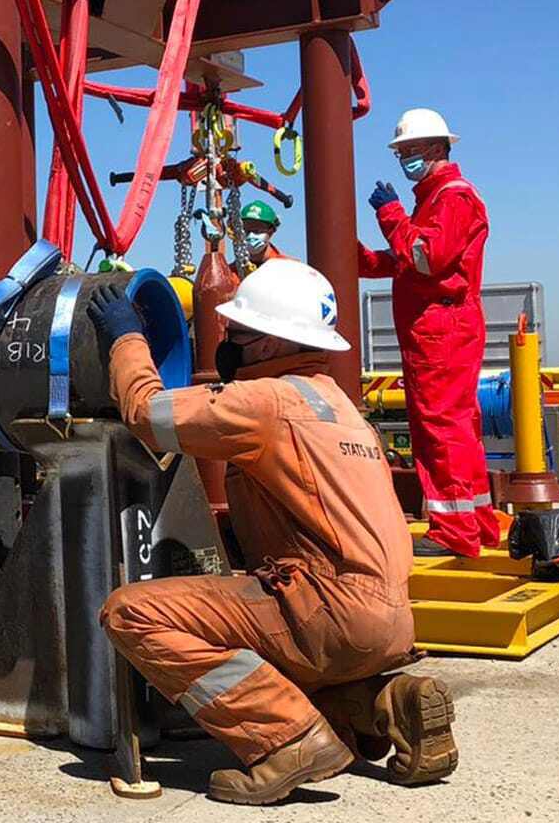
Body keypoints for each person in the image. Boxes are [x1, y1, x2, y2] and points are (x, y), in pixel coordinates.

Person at [89, 259, 456, 804]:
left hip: (327, 611)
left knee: (132, 612)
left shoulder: (264, 401)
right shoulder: (341, 407)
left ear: (266, 345)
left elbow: (148, 414)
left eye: (235, 334)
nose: (227, 345)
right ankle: (385, 705)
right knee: (287, 667)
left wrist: (126, 338)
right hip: (389, 621)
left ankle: (287, 741)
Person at [358, 107, 494, 559]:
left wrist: (391, 214)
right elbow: (410, 261)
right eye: (402, 152)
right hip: (440, 327)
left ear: (438, 148)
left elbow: (424, 257)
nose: (405, 159)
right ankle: (476, 523)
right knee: (456, 425)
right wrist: (355, 257)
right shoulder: (435, 198)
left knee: (440, 426)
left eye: (412, 150)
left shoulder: (453, 197)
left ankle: (455, 531)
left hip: (442, 328)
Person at [239, 200, 289, 270]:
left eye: (257, 231)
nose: (251, 235)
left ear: (271, 232)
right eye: (246, 231)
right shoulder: (231, 272)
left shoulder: (289, 268)